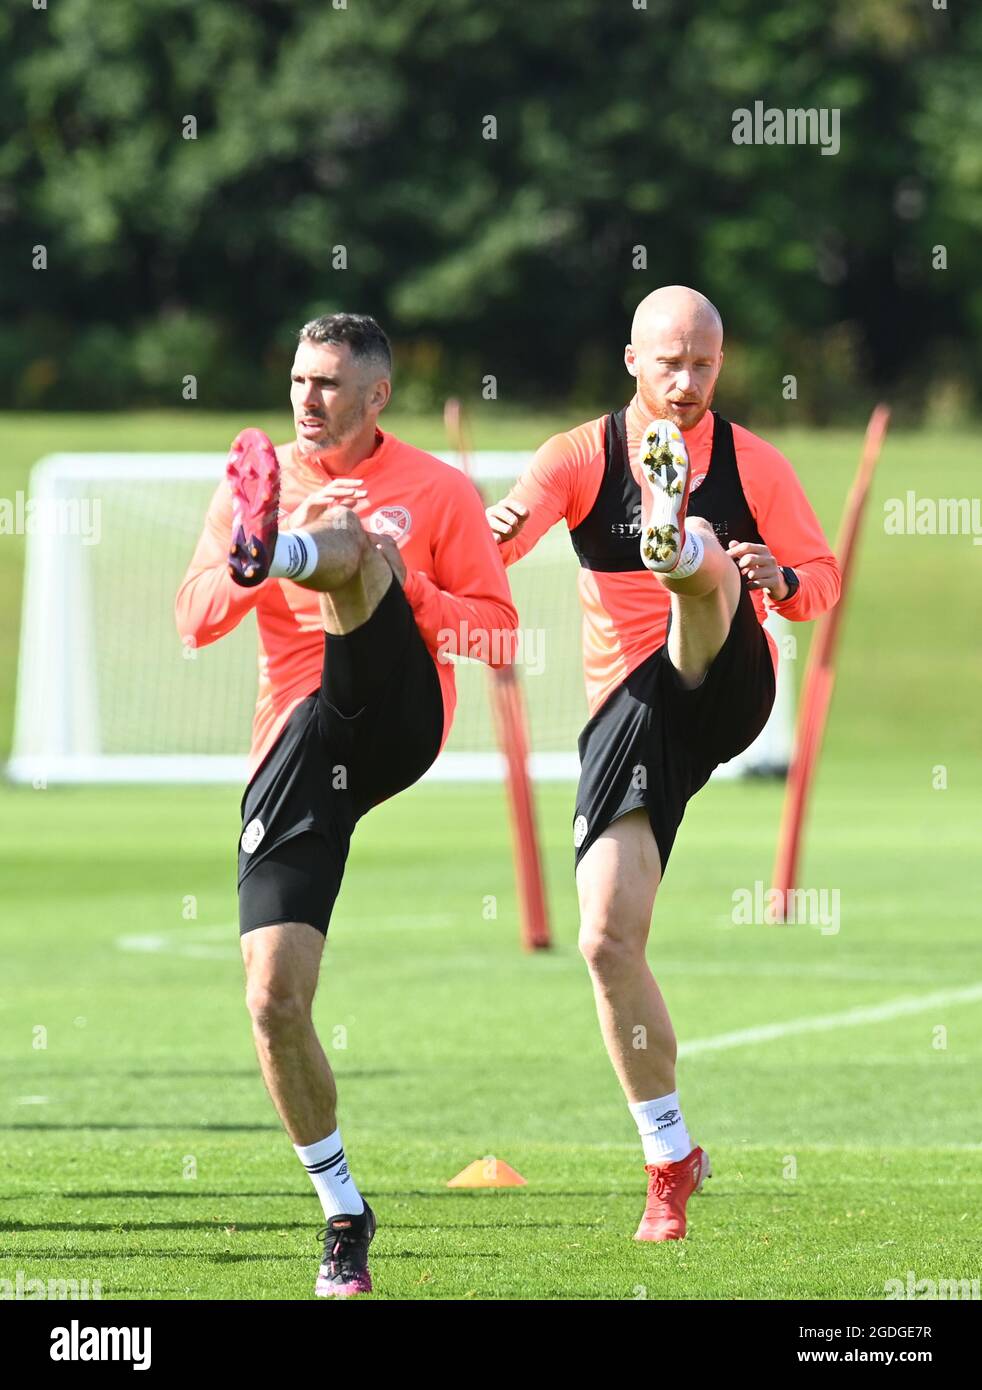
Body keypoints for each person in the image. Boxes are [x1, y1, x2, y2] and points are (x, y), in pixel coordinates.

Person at [486, 286, 841, 1241]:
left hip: (727, 677)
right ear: (633, 361)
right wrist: (478, 535)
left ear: (720, 368)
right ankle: (670, 1154)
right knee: (605, 939)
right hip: (629, 714)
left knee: (709, 565)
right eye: (670, 364)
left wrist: (787, 578)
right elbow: (508, 532)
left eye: (705, 366)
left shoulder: (755, 462)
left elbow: (822, 580)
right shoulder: (576, 454)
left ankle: (676, 536)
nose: (687, 383)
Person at [176, 313, 517, 1296]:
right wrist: (241, 576)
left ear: (377, 397)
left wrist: (410, 585)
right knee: (272, 998)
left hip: (397, 716)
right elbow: (194, 620)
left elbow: (497, 635)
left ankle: (290, 550)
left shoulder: (439, 491)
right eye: (295, 379)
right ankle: (342, 1211)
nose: (305, 398)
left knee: (354, 542)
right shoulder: (255, 475)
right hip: (300, 740)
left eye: (328, 383)